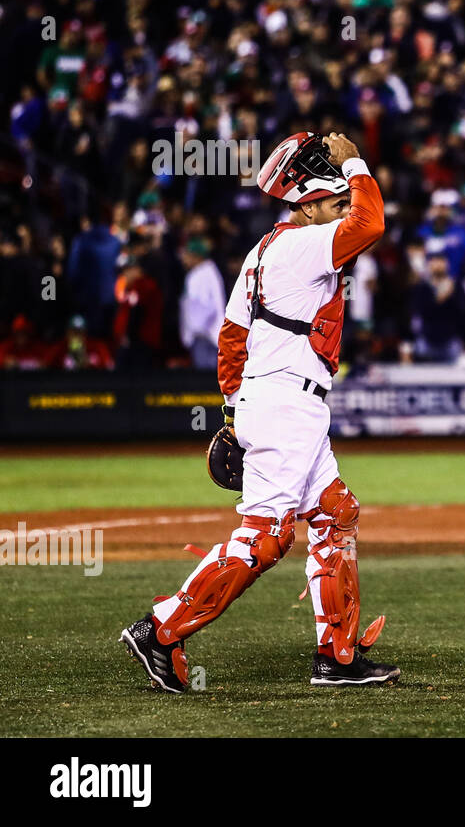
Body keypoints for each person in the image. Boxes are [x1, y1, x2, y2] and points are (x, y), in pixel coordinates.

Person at [119, 132, 398, 693]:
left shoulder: (264, 248)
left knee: (335, 514)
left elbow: (232, 335)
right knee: (265, 538)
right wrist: (357, 162)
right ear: (309, 203)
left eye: (346, 199)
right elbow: (372, 224)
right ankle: (160, 630)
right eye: (335, 201)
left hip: (280, 400)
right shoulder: (301, 243)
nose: (345, 208)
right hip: (285, 403)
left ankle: (336, 657)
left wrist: (230, 411)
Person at [178, 237, 226, 369]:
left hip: (205, 336)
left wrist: (195, 330)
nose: (183, 258)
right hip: (205, 335)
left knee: (207, 378)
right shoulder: (205, 272)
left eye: (186, 254)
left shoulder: (201, 274)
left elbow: (206, 308)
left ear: (196, 256)